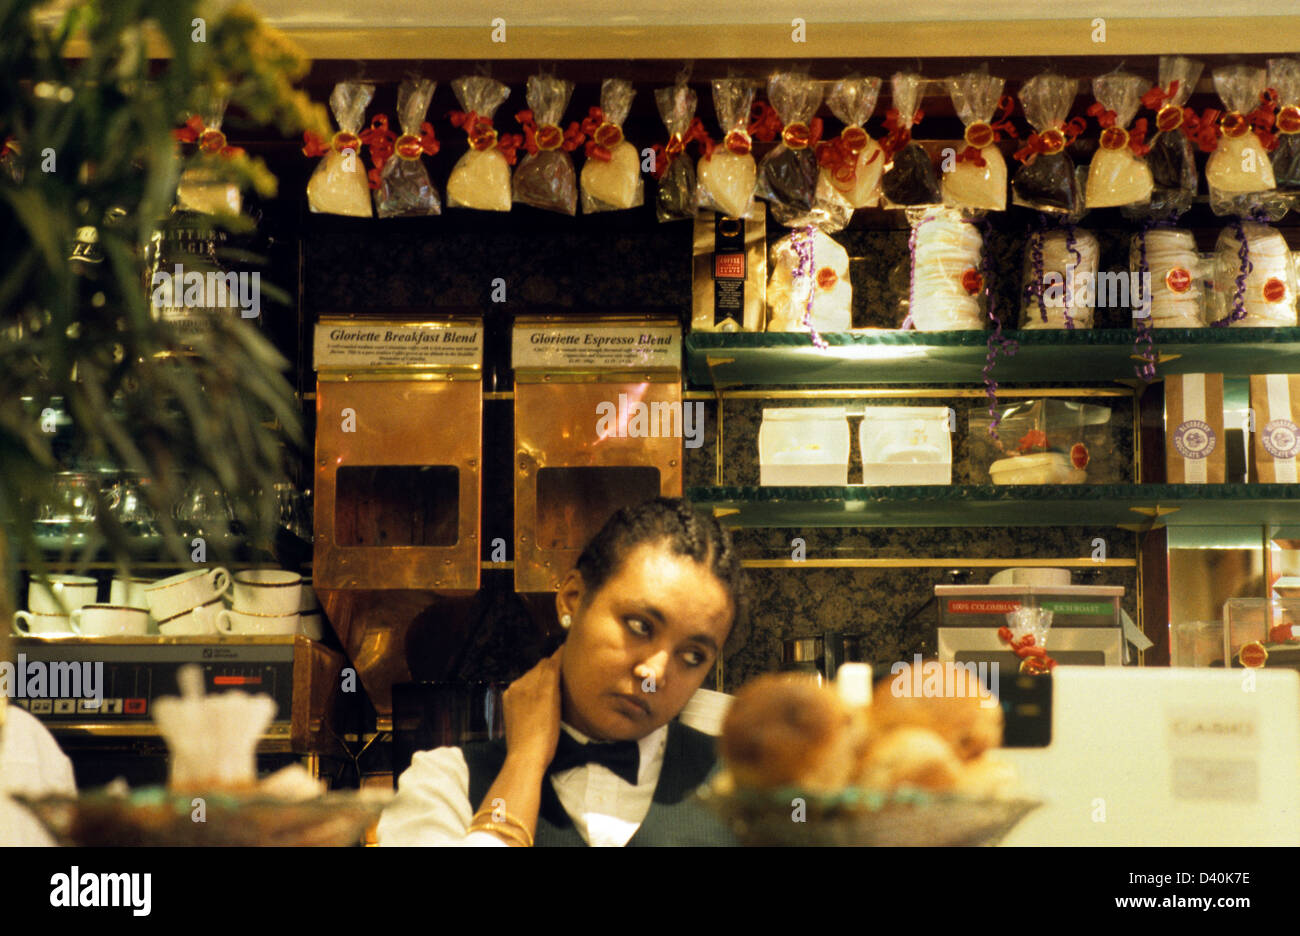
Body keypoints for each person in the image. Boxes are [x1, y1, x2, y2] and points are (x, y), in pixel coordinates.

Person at [377, 497, 747, 846]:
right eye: (639, 626)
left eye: (693, 656)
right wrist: (523, 764)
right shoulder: (446, 782)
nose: (654, 673)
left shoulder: (747, 791)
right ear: (573, 598)